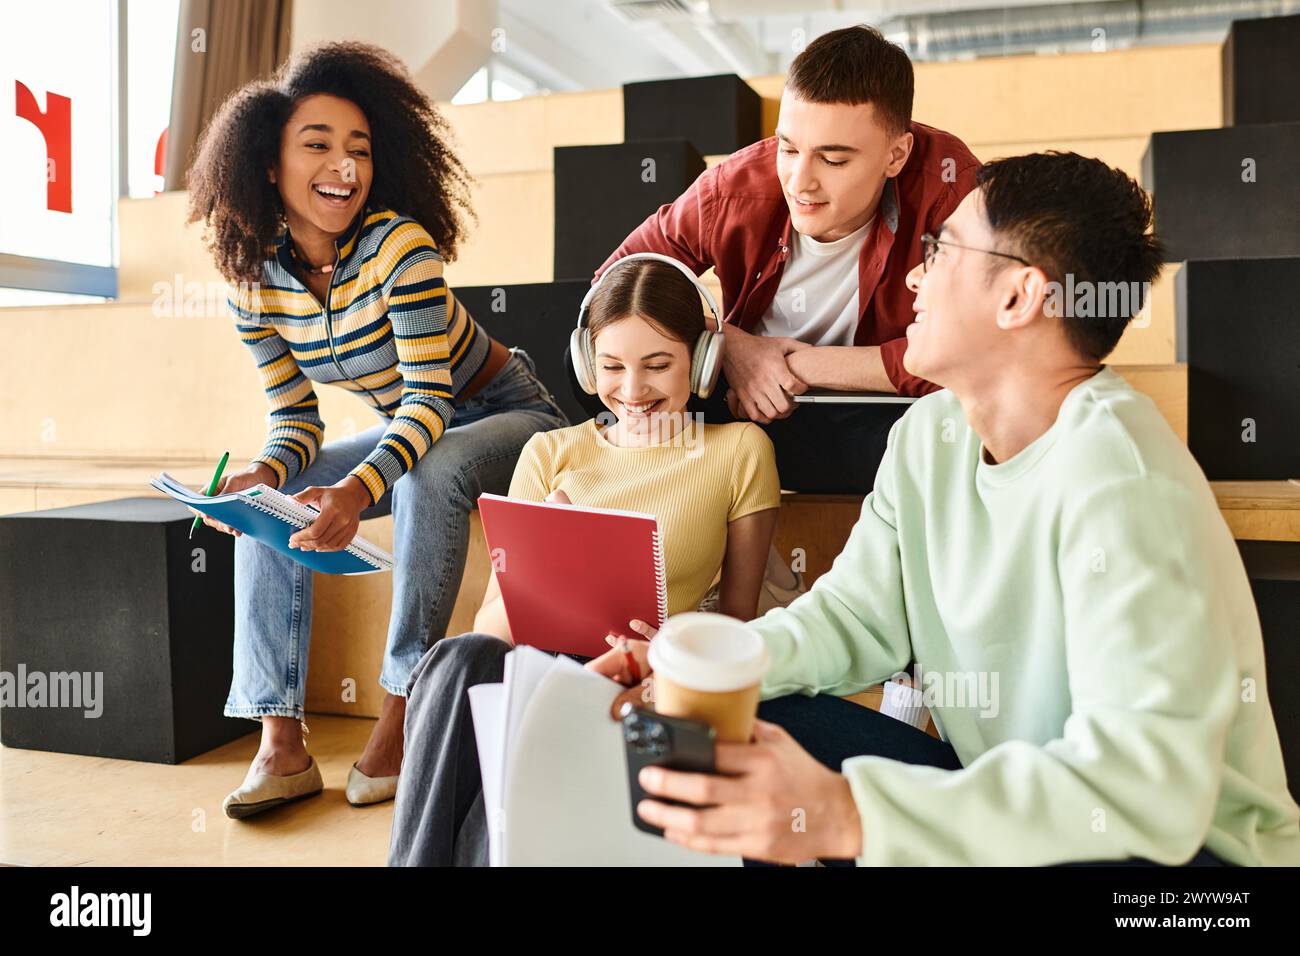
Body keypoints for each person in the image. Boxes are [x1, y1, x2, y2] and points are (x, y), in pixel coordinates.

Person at [593, 152, 1300, 866]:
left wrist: (845, 814)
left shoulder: (1124, 480)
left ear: (1019, 298)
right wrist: (692, 664)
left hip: (1182, 862)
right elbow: (855, 619)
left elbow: (1147, 796)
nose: (913, 275)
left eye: (942, 250)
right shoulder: (929, 435)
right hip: (1009, 793)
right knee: (744, 719)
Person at [185, 42, 568, 819]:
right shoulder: (255, 286)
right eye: (318, 145)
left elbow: (428, 403)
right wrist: (264, 474)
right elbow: (295, 418)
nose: (344, 166)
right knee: (277, 493)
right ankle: (280, 741)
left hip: (507, 414)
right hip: (420, 430)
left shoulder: (400, 247)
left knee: (432, 467)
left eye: (359, 149)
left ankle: (401, 710)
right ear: (268, 165)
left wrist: (359, 490)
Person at [388, 255, 782, 865]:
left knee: (522, 752)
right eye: (612, 367)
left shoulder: (739, 452)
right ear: (585, 363)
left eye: (658, 366)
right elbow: (491, 626)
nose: (632, 391)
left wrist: (671, 653)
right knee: (460, 657)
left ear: (701, 362)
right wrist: (546, 560)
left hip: (644, 684)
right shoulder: (549, 452)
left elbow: (737, 625)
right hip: (541, 665)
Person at [597, 24, 980, 496]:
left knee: (960, 430)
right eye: (789, 148)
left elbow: (972, 348)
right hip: (746, 402)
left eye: (833, 160)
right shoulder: (736, 185)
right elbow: (614, 283)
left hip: (880, 407)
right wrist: (732, 347)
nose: (800, 182)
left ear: (896, 155)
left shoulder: (949, 185)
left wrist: (805, 366)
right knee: (604, 371)